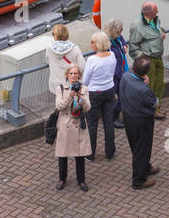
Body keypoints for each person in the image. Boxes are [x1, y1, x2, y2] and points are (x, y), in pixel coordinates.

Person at [118, 55, 160, 188]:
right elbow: (155, 103)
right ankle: (138, 180)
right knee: (141, 149)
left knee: (137, 146)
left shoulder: (125, 76)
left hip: (128, 117)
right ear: (146, 73)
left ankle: (145, 166)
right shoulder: (143, 89)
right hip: (142, 121)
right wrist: (145, 84)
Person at [53, 65, 92, 190]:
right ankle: (62, 179)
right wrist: (69, 95)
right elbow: (59, 106)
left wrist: (81, 97)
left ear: (79, 76)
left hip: (78, 123)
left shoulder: (84, 89)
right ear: (67, 75)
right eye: (71, 73)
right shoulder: (60, 88)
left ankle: (81, 180)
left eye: (76, 73)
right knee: (62, 154)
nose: (73, 76)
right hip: (65, 124)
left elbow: (88, 108)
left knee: (79, 154)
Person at [128, 2, 167, 119]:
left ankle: (156, 107)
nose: (158, 12)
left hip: (158, 56)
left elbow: (158, 29)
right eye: (156, 11)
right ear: (149, 13)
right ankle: (151, 110)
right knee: (150, 86)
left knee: (160, 84)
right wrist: (144, 59)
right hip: (148, 59)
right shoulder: (137, 26)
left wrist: (161, 33)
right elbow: (133, 47)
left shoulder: (155, 20)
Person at [83, 31, 118, 161]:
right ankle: (110, 152)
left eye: (92, 42)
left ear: (98, 44)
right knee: (108, 122)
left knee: (92, 123)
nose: (90, 44)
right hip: (109, 90)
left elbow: (85, 80)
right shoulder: (113, 55)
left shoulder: (92, 60)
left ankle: (90, 154)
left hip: (95, 93)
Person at [45, 23, 84, 93]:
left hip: (56, 84)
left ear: (56, 36)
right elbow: (82, 67)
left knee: (60, 102)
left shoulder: (49, 48)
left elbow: (48, 61)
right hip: (72, 84)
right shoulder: (75, 48)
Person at [105, 18, 129, 129]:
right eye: (119, 31)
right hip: (114, 75)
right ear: (112, 31)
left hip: (121, 71)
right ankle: (113, 118)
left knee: (122, 96)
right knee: (115, 98)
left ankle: (116, 115)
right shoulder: (106, 42)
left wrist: (124, 45)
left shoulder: (117, 37)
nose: (120, 33)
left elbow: (122, 39)